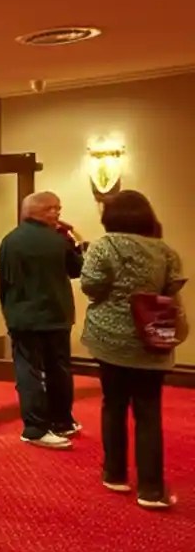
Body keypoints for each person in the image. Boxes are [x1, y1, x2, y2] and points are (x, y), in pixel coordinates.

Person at [79, 190, 185, 509]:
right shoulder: (165, 251)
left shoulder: (104, 245)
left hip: (110, 338)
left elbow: (91, 286)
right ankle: (151, 488)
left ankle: (115, 473)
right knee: (149, 412)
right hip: (152, 337)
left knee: (113, 405)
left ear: (110, 216)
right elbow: (172, 291)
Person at [0, 191, 85, 449]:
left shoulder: (10, 240)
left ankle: (38, 426)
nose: (57, 213)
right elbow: (77, 269)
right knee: (58, 368)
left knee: (30, 369)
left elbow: (6, 281)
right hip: (56, 314)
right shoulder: (59, 240)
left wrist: (9, 312)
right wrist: (77, 243)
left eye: (58, 208)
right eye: (51, 209)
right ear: (32, 211)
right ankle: (58, 422)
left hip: (23, 315)